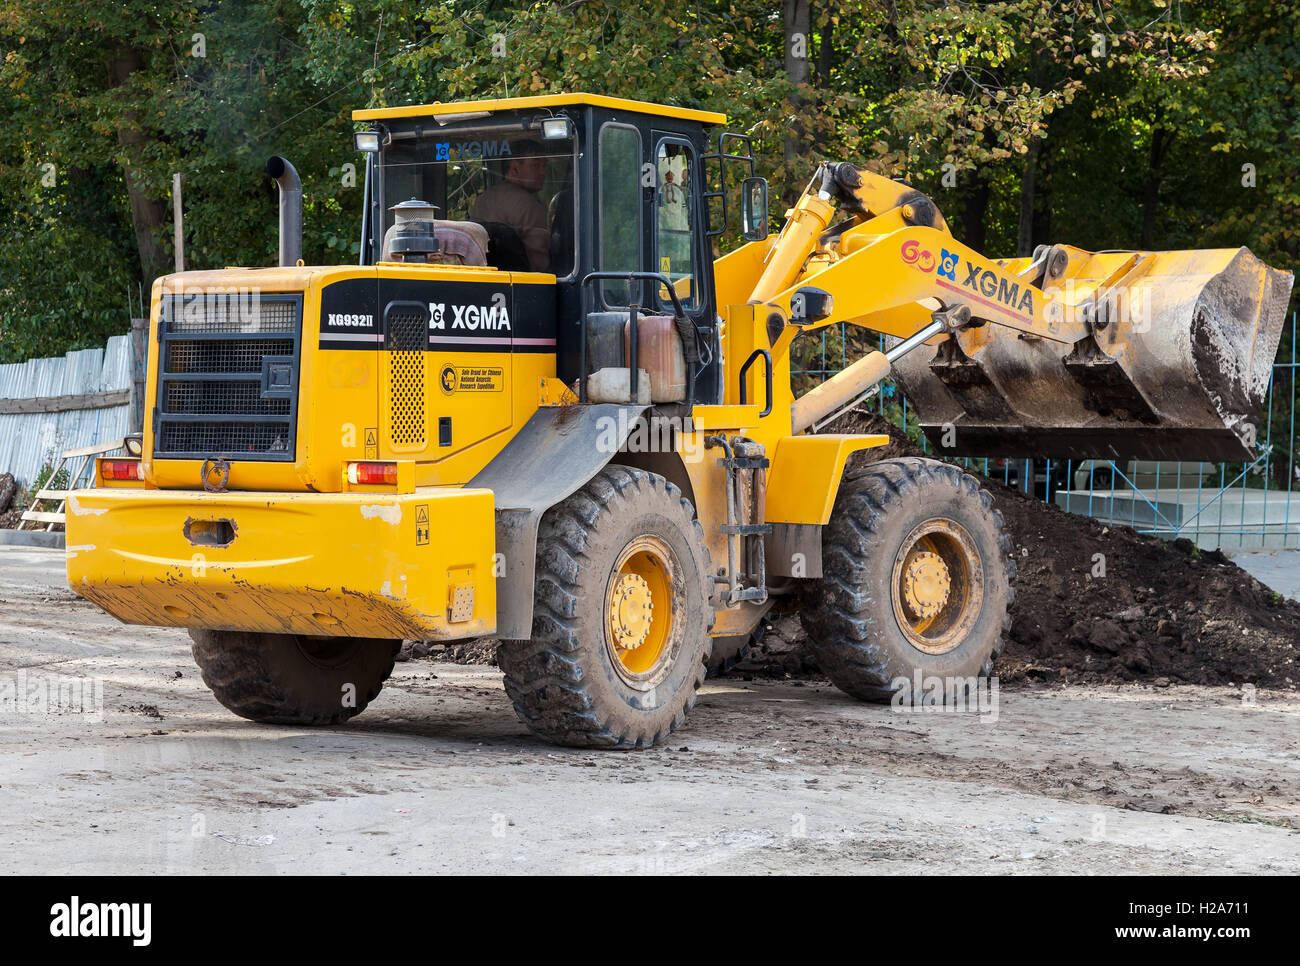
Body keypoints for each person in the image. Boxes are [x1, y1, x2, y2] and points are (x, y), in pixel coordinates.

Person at [470, 140, 551, 272]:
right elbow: (539, 262)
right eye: (536, 165)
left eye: (544, 166)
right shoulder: (529, 205)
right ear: (514, 168)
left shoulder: (482, 200)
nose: (543, 172)